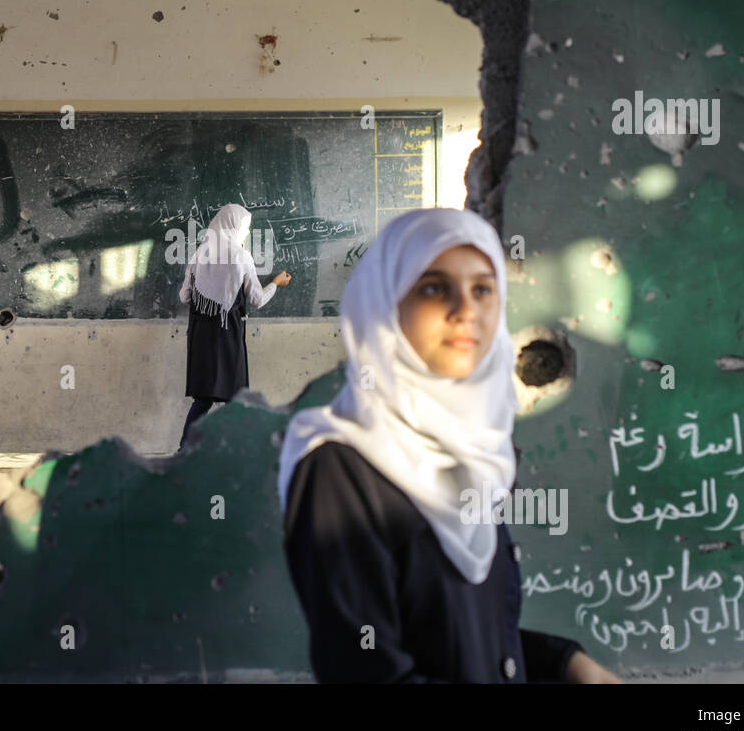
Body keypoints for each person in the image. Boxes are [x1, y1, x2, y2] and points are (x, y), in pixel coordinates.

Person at [277, 207, 620, 683]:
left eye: (483, 288)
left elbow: (465, 637)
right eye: (434, 288)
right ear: (385, 304)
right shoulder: (339, 470)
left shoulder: (473, 448)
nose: (466, 311)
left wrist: (565, 664)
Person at [178, 203, 291, 450]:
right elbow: (257, 299)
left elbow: (184, 297)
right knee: (235, 398)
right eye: (245, 228)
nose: (247, 233)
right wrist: (275, 283)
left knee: (203, 398)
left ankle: (184, 451)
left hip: (200, 337)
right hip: (227, 335)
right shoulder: (241, 257)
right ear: (233, 227)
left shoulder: (199, 254)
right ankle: (235, 451)